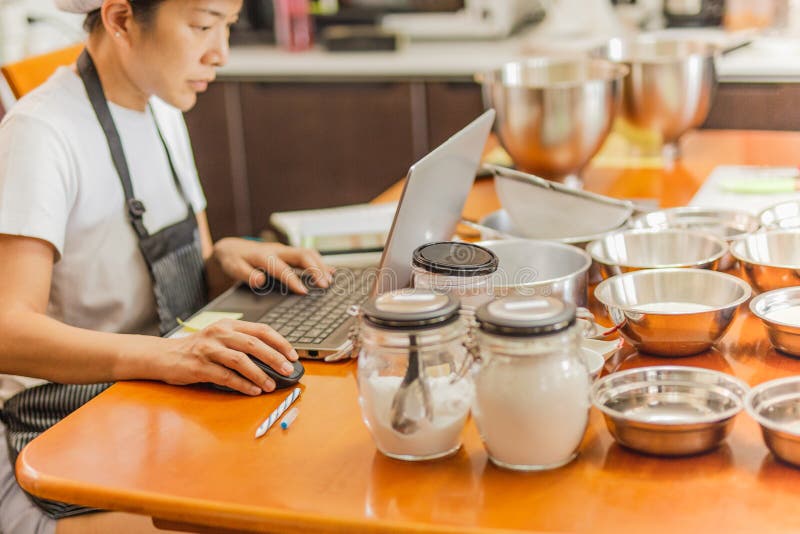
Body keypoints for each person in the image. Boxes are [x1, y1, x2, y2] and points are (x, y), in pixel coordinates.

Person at [0, 0, 334, 531]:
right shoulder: (41, 133)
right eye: (203, 26)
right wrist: (170, 357)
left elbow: (185, 272)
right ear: (122, 20)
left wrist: (223, 258)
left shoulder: (163, 107)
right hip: (68, 434)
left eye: (227, 27)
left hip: (158, 401)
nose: (220, 53)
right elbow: (8, 333)